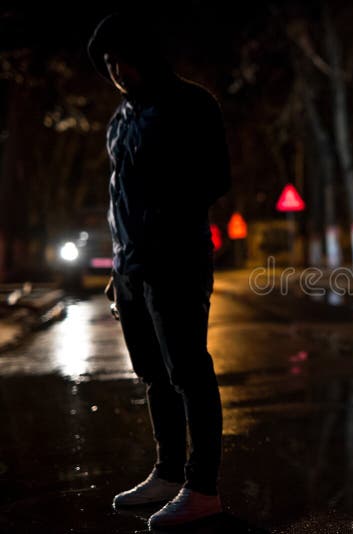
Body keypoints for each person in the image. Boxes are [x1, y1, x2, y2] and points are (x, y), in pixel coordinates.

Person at [88, 13, 231, 529]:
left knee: (189, 371)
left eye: (119, 58)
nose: (114, 70)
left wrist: (160, 228)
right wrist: (119, 262)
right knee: (153, 375)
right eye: (105, 64)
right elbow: (119, 196)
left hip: (175, 260)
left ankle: (203, 488)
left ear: (142, 53)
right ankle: (168, 472)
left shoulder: (191, 104)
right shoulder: (121, 118)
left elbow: (214, 178)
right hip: (131, 267)